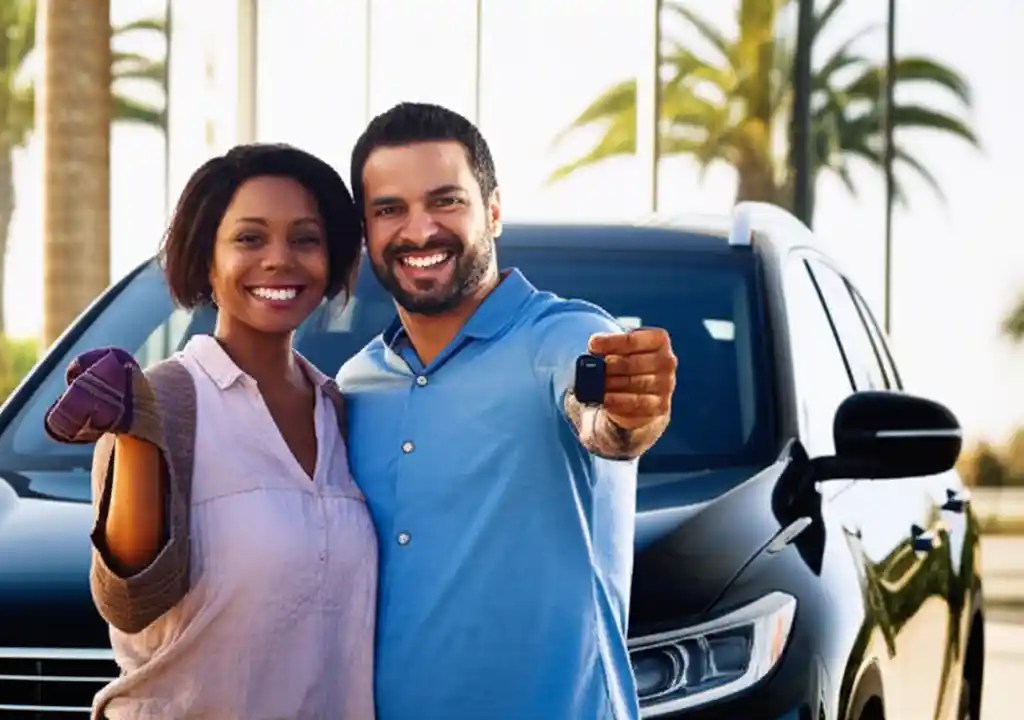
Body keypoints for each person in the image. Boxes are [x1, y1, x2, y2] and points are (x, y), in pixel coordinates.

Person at [336, 102, 678, 719]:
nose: (418, 232)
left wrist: (627, 414)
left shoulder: (560, 336)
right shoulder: (356, 383)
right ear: (366, 232)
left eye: (446, 201)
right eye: (390, 209)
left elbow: (602, 415)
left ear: (493, 211)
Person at [44, 143, 378, 720]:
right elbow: (132, 600)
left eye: (306, 238)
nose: (280, 259)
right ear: (205, 259)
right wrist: (133, 430)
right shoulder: (162, 402)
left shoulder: (343, 413)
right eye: (250, 238)